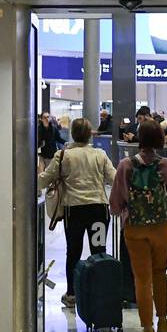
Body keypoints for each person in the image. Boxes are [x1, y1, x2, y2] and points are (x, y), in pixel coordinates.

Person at [109, 120, 167, 332]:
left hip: (134, 228)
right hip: (161, 227)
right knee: (159, 272)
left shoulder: (126, 165)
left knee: (141, 279)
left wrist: (125, 210)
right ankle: (163, 321)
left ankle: (147, 330)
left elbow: (114, 204)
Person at [37, 118, 117, 308]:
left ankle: (72, 294)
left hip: (75, 210)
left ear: (72, 134)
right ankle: (100, 291)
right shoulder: (100, 154)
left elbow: (44, 180)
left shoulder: (63, 155)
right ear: (90, 134)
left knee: (73, 252)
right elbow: (114, 179)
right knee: (99, 251)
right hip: (98, 208)